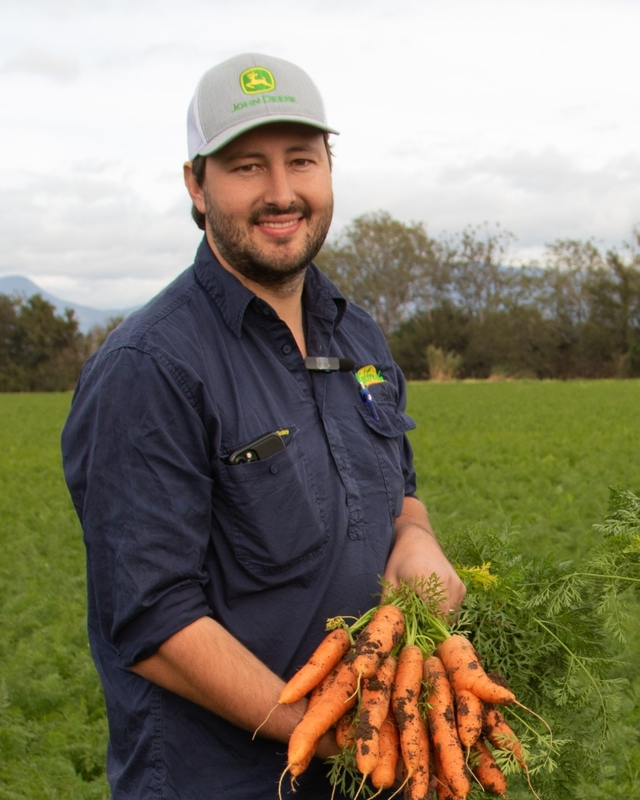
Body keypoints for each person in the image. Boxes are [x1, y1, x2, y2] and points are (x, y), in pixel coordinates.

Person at [61, 53, 465, 799]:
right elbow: (156, 627)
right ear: (196, 183)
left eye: (302, 161)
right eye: (248, 166)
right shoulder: (149, 367)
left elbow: (399, 496)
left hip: (359, 775)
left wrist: (416, 540)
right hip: (224, 781)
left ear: (329, 170)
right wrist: (329, 728)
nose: (282, 193)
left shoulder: (358, 337)